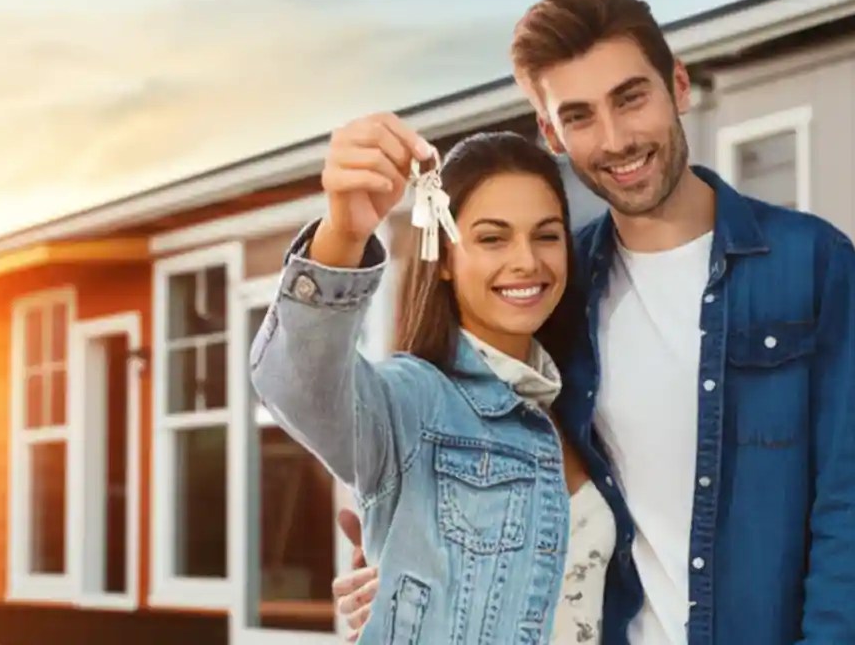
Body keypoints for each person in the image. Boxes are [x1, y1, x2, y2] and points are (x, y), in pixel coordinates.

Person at [331, 0, 855, 645]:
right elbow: (498, 471)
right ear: (551, 133)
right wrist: (420, 571)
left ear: (678, 86)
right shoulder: (555, 288)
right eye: (579, 116)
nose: (617, 139)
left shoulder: (810, 264)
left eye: (631, 99)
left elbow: (852, 522)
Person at [249, 126, 615, 643]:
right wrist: (344, 234)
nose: (527, 261)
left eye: (546, 235)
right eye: (492, 237)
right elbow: (297, 385)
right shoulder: (414, 402)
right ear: (444, 258)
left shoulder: (578, 405)